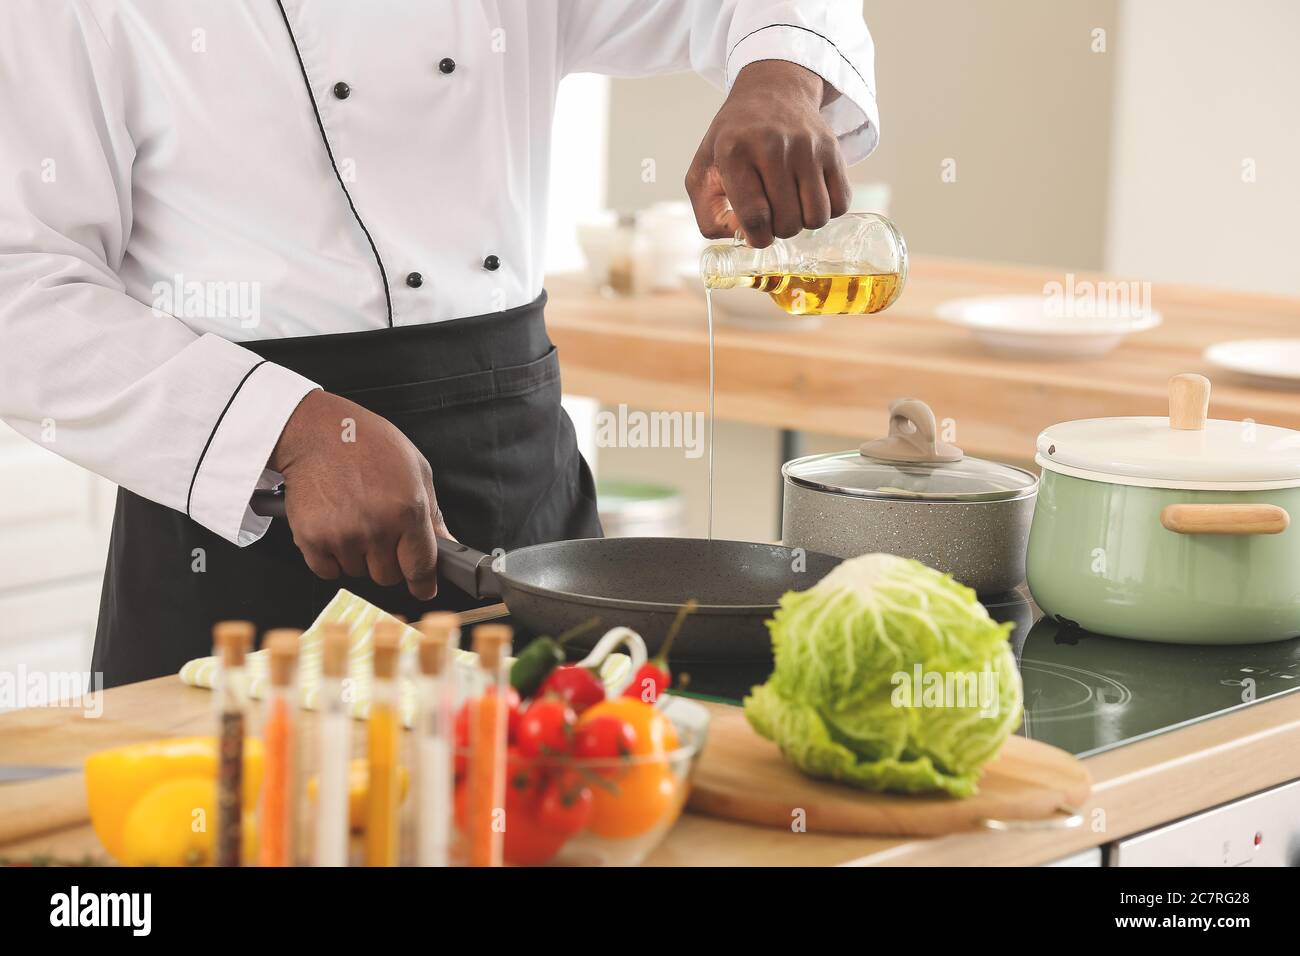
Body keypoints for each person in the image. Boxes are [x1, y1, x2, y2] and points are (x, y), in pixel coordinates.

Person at [0, 1, 879, 687]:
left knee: (573, 811)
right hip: (247, 515)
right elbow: (21, 284)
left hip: (521, 479)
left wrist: (781, 72)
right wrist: (289, 429)